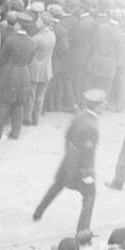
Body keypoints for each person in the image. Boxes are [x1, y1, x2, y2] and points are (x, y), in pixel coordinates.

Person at [32, 89, 105, 235]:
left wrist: (69, 155)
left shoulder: (79, 116)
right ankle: (82, 232)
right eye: (102, 104)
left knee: (57, 185)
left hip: (68, 161)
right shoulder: (92, 127)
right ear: (96, 106)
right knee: (89, 196)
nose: (104, 106)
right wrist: (87, 175)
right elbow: (87, 155)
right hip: (81, 168)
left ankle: (38, 212)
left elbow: (67, 136)